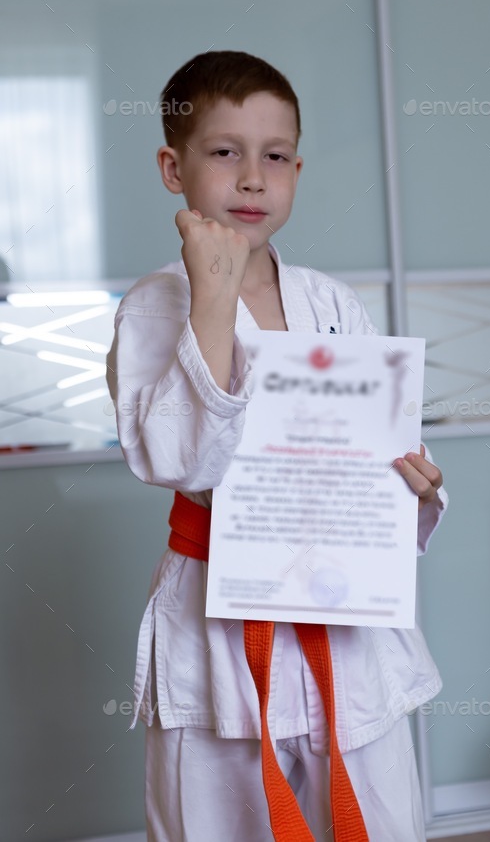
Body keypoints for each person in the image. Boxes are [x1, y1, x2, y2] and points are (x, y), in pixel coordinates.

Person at [107, 50, 447, 841]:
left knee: (383, 811)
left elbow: (390, 451)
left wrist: (418, 490)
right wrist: (214, 299)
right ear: (172, 166)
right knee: (221, 821)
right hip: (217, 616)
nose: (253, 178)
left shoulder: (330, 301)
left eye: (276, 155)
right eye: (225, 152)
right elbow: (178, 462)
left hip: (347, 610)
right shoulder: (155, 307)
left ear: (297, 167)